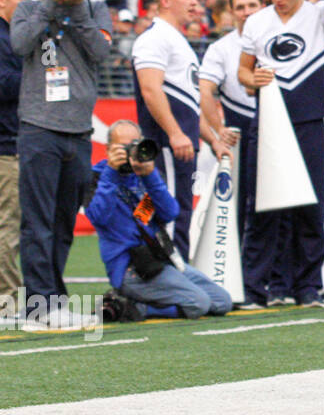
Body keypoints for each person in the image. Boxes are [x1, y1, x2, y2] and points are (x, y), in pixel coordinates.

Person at [238, 0, 324, 308]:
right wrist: (252, 79)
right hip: (270, 121)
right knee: (264, 207)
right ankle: (258, 289)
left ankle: (307, 287)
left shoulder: (319, 14)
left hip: (308, 120)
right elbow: (243, 72)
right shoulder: (257, 22)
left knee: (310, 207)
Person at [12, 0, 111, 328]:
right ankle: (39, 306)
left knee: (64, 221)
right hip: (39, 128)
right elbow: (20, 45)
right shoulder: (28, 9)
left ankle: (53, 299)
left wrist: (76, 8)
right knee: (38, 223)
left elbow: (101, 53)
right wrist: (51, 5)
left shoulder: (93, 8)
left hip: (79, 131)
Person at [85, 119, 232, 319]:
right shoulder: (96, 177)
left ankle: (140, 300)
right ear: (108, 148)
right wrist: (112, 173)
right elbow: (99, 218)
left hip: (160, 259)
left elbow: (169, 214)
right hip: (130, 268)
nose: (130, 152)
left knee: (222, 302)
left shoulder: (144, 176)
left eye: (134, 145)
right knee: (198, 304)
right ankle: (127, 307)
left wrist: (149, 175)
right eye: (123, 147)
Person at [132, 0, 230, 264]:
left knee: (173, 210)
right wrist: (174, 133)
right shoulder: (155, 38)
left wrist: (212, 139)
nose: (194, 2)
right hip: (166, 145)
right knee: (170, 211)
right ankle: (171, 282)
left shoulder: (177, 40)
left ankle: (166, 279)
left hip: (178, 144)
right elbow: (151, 90)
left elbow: (188, 104)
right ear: (165, 0)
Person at [198, 0, 264, 251]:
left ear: (263, 7)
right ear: (232, 13)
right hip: (243, 133)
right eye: (240, 7)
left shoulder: (279, 38)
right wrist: (218, 129)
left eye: (252, 5)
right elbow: (204, 89)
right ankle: (238, 271)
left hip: (278, 131)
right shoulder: (221, 49)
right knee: (239, 205)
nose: (246, 12)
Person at [0, 0, 30, 304]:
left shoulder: (22, 35)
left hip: (17, 141)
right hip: (5, 144)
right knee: (8, 224)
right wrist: (35, 75)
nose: (28, 3)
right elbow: (4, 84)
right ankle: (6, 298)